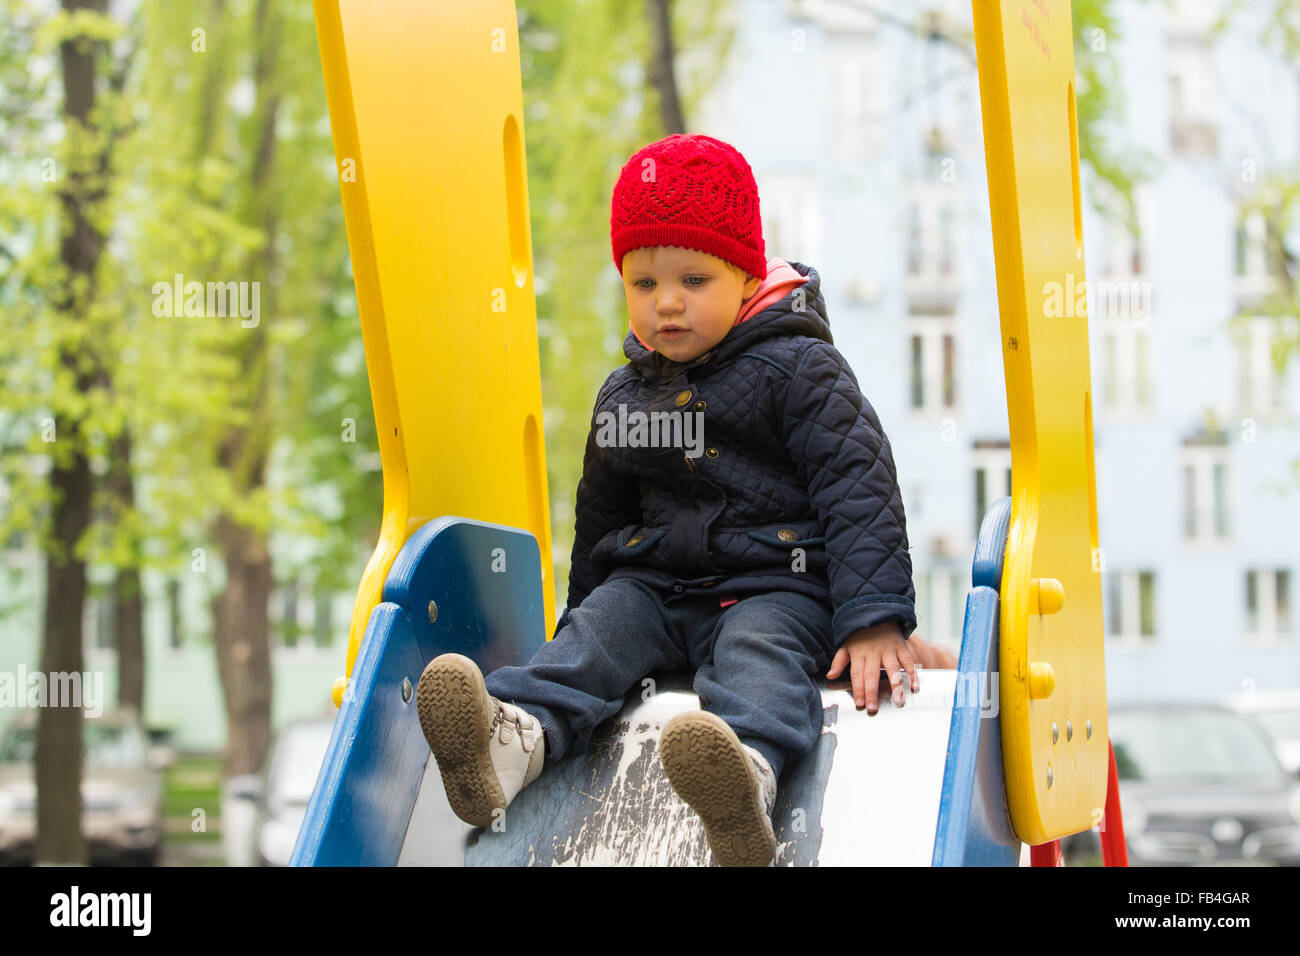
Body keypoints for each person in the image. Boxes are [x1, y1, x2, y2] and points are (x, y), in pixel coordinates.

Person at [416, 133, 952, 867]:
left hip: (776, 585)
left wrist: (873, 619)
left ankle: (745, 778)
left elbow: (858, 487)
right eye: (642, 283)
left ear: (745, 275)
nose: (666, 304)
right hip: (659, 586)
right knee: (599, 632)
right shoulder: (625, 393)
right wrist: (582, 619)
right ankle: (513, 744)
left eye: (693, 279)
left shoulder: (799, 367)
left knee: (759, 653)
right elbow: (603, 518)